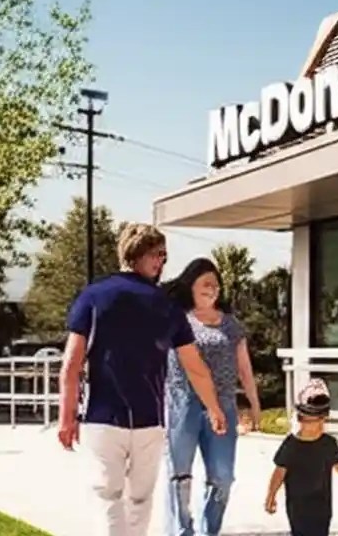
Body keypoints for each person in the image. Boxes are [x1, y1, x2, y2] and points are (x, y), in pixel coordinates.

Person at [58, 223, 227, 536]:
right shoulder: (165, 306)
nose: (162, 262)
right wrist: (213, 407)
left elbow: (71, 364)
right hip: (148, 418)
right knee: (139, 500)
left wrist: (66, 416)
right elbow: (195, 366)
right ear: (140, 256)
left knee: (107, 496)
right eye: (158, 255)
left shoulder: (93, 297)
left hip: (102, 417)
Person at [162, 257, 263, 536]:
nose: (212, 289)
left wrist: (254, 403)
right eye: (206, 284)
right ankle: (181, 530)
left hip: (224, 405)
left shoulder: (230, 325)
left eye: (216, 285)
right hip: (183, 403)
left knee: (223, 477)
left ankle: (210, 530)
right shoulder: (176, 320)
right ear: (190, 285)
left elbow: (244, 366)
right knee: (179, 473)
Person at [265, 379, 338, 536]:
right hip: (298, 508)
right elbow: (279, 472)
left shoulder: (327, 444)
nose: (317, 426)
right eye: (310, 421)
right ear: (300, 419)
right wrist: (271, 495)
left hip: (322, 508)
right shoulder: (291, 445)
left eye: (319, 421)